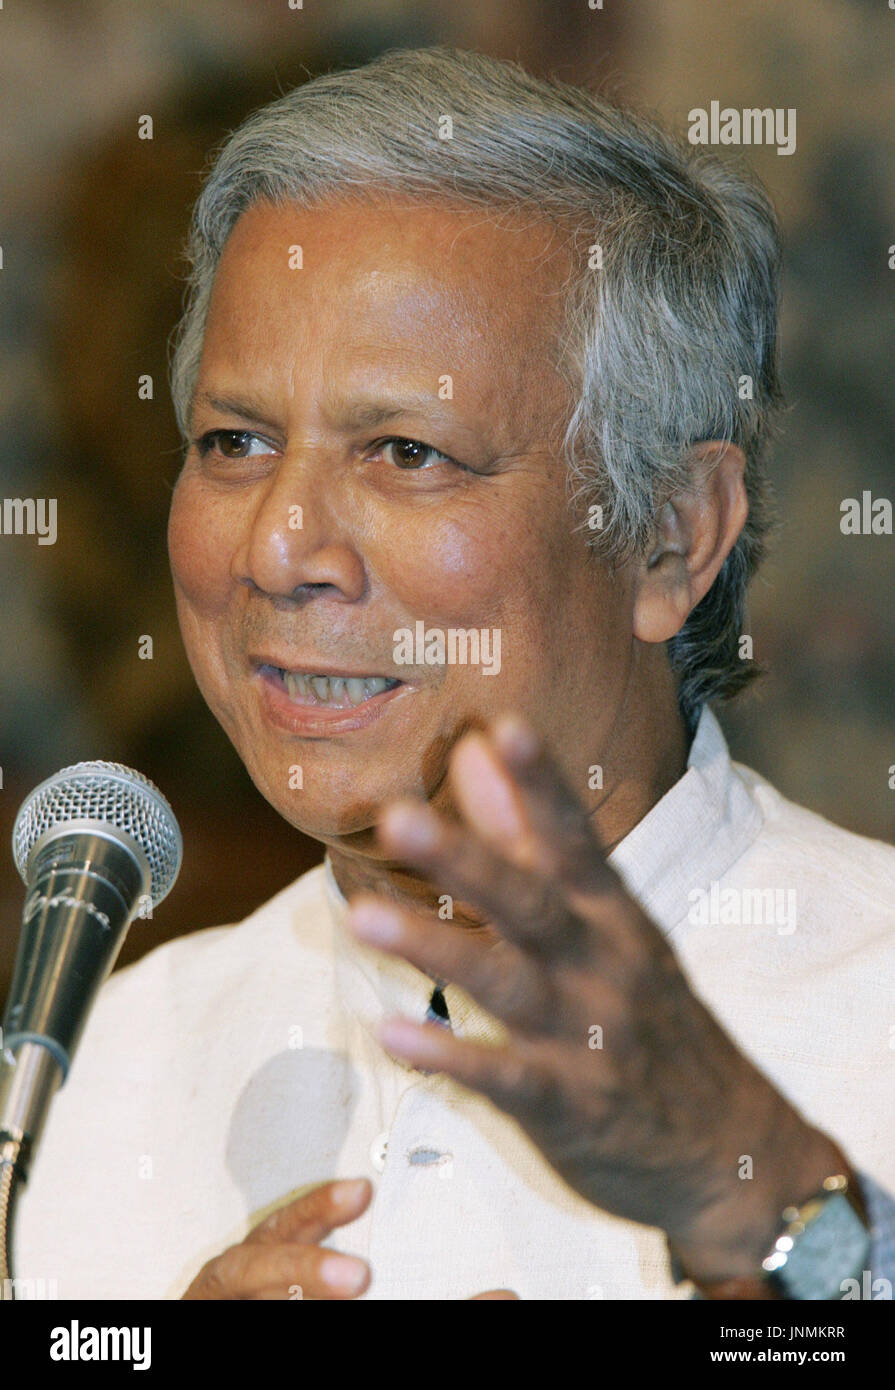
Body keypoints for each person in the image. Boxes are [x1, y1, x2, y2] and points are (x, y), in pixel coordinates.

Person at [14, 46, 895, 1300]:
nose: (279, 547)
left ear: (670, 534)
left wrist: (752, 1199)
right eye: (232, 441)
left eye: (408, 452)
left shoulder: (870, 991)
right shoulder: (93, 1071)